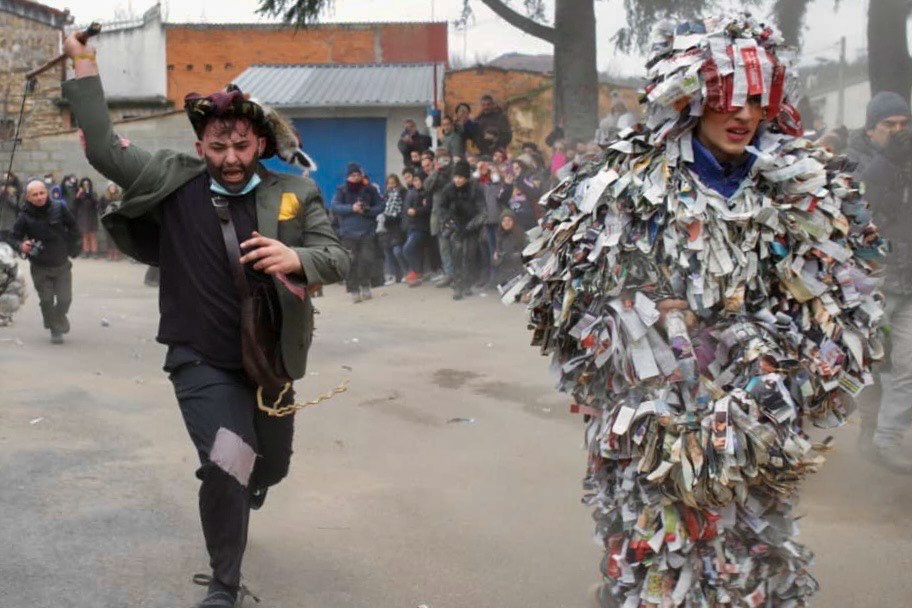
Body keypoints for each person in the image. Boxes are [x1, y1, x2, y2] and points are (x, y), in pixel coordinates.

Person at [513, 16, 885, 607]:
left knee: (747, 557)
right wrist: (642, 322)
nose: (743, 116)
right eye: (726, 100)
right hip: (657, 426)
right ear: (689, 98)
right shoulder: (622, 183)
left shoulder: (807, 188)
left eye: (758, 101)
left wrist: (776, 372)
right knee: (657, 554)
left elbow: (844, 306)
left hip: (755, 425)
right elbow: (562, 296)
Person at [61, 31, 349, 608]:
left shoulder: (295, 193)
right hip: (199, 357)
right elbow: (99, 146)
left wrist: (297, 258)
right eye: (218, 147)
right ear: (200, 147)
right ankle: (225, 584)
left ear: (259, 142)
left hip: (271, 361)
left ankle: (251, 485)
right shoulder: (171, 179)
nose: (231, 159)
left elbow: (337, 256)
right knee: (227, 461)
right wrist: (84, 60)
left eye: (242, 146)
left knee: (267, 466)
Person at [846, 91, 912, 473]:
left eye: (905, 125)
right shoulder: (855, 160)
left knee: (907, 368)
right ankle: (867, 436)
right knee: (870, 367)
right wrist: (890, 159)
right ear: (872, 129)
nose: (898, 132)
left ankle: (885, 442)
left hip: (908, 282)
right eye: (890, 125)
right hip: (871, 284)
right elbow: (863, 204)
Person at [7, 178, 81, 343]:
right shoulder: (24, 216)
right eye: (35, 195)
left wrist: (75, 247)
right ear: (28, 197)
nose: (39, 197)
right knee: (46, 300)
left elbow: (74, 228)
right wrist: (21, 245)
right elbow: (12, 237)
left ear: (47, 193)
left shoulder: (60, 208)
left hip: (62, 263)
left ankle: (58, 318)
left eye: (42, 193)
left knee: (64, 299)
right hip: (40, 265)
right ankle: (55, 329)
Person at [331, 162, 382, 303]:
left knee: (367, 259)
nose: (356, 177)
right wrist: (352, 208)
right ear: (348, 176)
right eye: (353, 175)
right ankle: (354, 289)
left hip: (367, 231)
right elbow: (335, 207)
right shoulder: (342, 190)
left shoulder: (370, 189)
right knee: (351, 261)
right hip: (348, 232)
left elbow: (380, 206)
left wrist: (367, 211)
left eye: (358, 174)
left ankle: (365, 284)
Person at [438, 159, 485, 300]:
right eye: (456, 177)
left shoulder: (475, 189)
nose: (457, 180)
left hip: (471, 227)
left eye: (461, 177)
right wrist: (449, 222)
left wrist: (472, 225)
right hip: (456, 227)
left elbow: (482, 211)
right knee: (457, 256)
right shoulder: (448, 189)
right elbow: (442, 208)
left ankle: (467, 284)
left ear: (466, 178)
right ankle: (458, 286)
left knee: (469, 256)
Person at [425, 148, 454, 287]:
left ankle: (458, 275)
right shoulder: (435, 173)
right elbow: (427, 187)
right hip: (439, 215)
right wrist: (436, 171)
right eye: (440, 159)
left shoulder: (455, 171)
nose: (443, 162)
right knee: (444, 247)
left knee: (456, 246)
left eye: (445, 158)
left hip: (453, 214)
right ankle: (448, 274)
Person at [474, 160, 504, 284]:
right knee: (484, 250)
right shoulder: (479, 184)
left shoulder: (496, 183)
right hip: (483, 221)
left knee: (495, 249)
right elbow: (472, 183)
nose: (485, 169)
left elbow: (501, 192)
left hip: (495, 221)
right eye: (482, 167)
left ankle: (494, 277)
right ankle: (486, 276)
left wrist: (494, 174)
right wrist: (478, 171)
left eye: (487, 167)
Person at [498, 156, 543, 232]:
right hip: (517, 223)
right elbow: (502, 201)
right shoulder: (506, 185)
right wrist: (508, 185)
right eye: (512, 169)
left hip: (532, 219)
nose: (515, 171)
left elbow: (535, 193)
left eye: (517, 168)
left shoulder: (527, 179)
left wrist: (520, 178)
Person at [377, 174, 408, 284]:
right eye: (389, 183)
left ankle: (406, 273)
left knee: (397, 251)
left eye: (393, 183)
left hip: (396, 226)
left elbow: (402, 210)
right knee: (388, 251)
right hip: (386, 227)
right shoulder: (385, 195)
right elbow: (381, 208)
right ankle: (394, 275)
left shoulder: (402, 192)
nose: (391, 186)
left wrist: (391, 217)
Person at [402, 171, 431, 286]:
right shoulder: (410, 192)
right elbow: (405, 208)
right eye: (415, 180)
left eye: (418, 180)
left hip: (421, 227)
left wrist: (416, 211)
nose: (416, 183)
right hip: (411, 225)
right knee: (415, 250)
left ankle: (416, 271)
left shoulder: (426, 193)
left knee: (407, 249)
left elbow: (428, 208)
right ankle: (416, 273)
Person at [490, 209, 527, 287]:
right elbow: (495, 261)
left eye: (509, 220)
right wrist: (497, 256)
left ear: (514, 221)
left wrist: (515, 255)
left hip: (519, 272)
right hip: (504, 273)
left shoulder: (520, 234)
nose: (506, 223)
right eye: (503, 221)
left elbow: (526, 253)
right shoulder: (500, 235)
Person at [73, 177, 100, 258]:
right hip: (83, 217)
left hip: (92, 216)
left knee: (92, 235)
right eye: (84, 184)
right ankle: (86, 252)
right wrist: (79, 193)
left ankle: (94, 252)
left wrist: (89, 193)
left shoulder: (93, 193)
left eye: (87, 184)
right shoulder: (79, 193)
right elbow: (75, 204)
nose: (86, 186)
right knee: (85, 235)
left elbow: (96, 203)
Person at [99, 182, 123, 261]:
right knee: (108, 238)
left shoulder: (119, 197)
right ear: (108, 188)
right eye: (111, 187)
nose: (112, 188)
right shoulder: (104, 197)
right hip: (107, 220)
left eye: (114, 187)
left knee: (117, 238)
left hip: (116, 220)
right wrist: (103, 214)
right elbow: (99, 207)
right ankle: (110, 254)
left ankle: (116, 254)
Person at [0, 173, 21, 242]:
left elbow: (15, 204)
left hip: (10, 222)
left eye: (8, 178)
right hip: (2, 223)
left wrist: (8, 194)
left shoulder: (14, 190)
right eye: (4, 178)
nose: (5, 180)